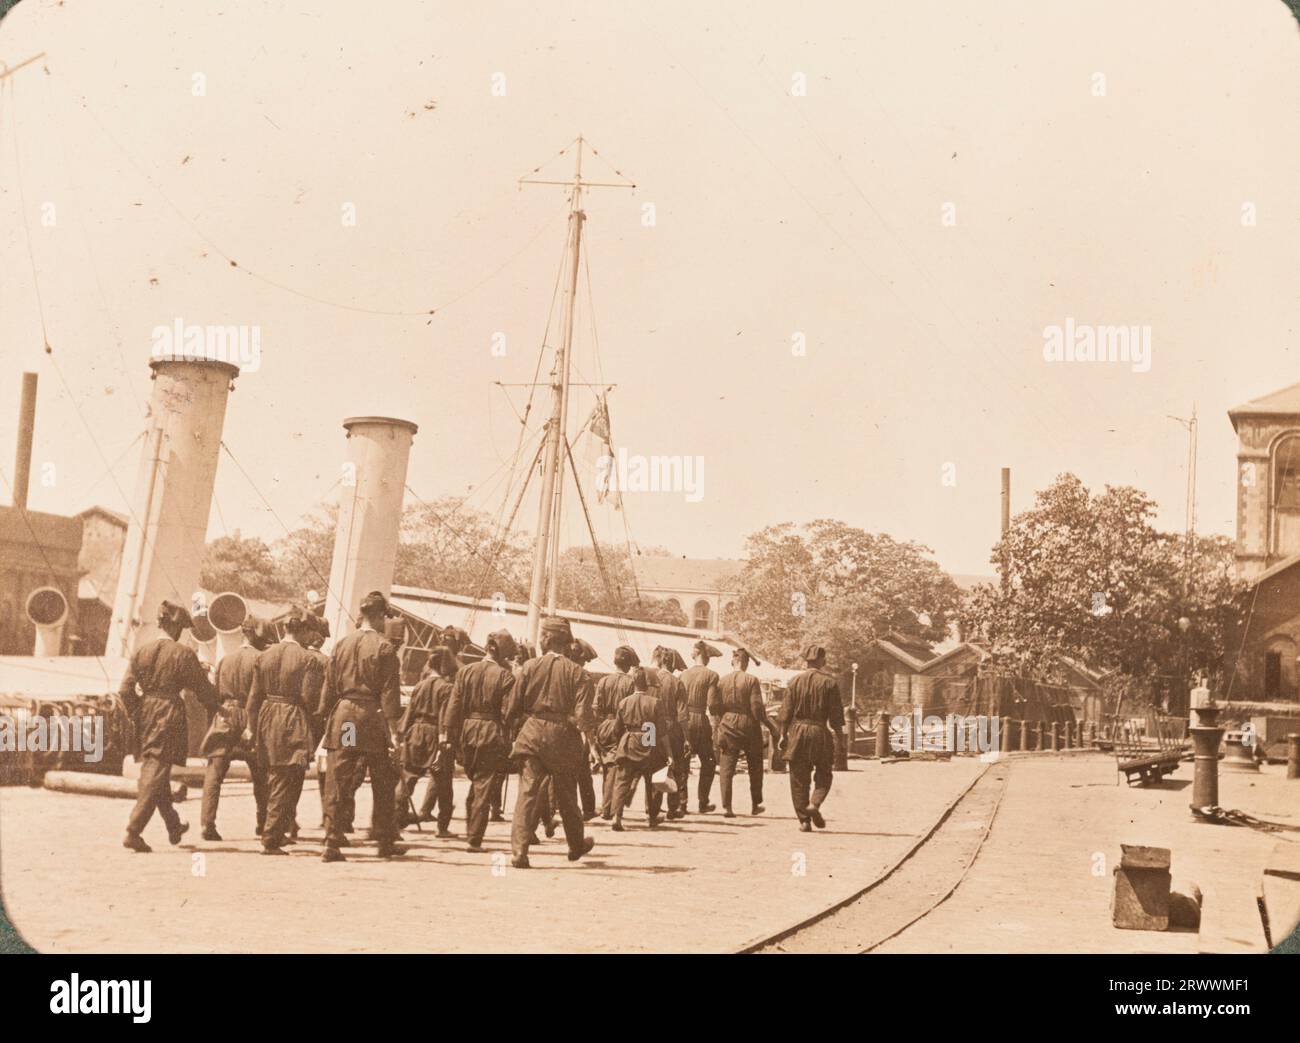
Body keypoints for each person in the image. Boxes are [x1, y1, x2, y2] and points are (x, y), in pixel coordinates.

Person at [120, 600, 214, 852]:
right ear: (175, 627)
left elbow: (125, 690)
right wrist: (219, 705)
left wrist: (138, 711)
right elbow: (203, 689)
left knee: (156, 768)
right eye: (182, 628)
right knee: (157, 768)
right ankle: (133, 830)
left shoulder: (142, 651)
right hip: (168, 713)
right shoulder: (183, 654)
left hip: (146, 712)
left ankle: (173, 824)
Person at [318, 591, 404, 862]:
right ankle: (384, 838)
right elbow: (390, 694)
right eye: (384, 618)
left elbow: (329, 688)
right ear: (378, 616)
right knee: (383, 777)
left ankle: (332, 839)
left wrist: (325, 718)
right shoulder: (385, 648)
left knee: (340, 775)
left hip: (346, 718)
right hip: (371, 718)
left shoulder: (342, 644)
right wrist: (394, 731)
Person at [508, 616, 596, 868]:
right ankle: (576, 845)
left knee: (527, 793)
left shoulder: (529, 667)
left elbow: (512, 708)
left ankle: (519, 851)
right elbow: (582, 716)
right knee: (568, 795)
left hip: (532, 734)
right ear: (565, 642)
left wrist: (521, 724)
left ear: (547, 639)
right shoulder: (578, 673)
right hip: (563, 739)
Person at [246, 606, 321, 854]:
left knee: (274, 774)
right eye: (310, 631)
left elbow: (253, 698)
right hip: (292, 717)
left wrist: (251, 727)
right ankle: (271, 837)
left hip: (267, 716)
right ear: (303, 630)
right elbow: (309, 699)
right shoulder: (307, 658)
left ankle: (276, 830)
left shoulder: (264, 655)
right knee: (288, 777)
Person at [199, 616, 270, 841]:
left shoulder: (225, 660)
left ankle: (207, 824)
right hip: (251, 718)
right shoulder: (262, 659)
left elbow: (217, 693)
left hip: (226, 716)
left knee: (214, 773)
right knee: (261, 774)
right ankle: (263, 823)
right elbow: (262, 695)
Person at [446, 629, 518, 851]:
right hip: (491, 732)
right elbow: (508, 713)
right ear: (504, 654)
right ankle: (474, 838)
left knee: (475, 781)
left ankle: (471, 830)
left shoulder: (466, 671)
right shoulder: (505, 676)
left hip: (467, 730)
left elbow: (453, 708)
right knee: (484, 784)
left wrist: (450, 735)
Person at [779, 644, 845, 832]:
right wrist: (840, 740)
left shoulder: (793, 682)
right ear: (822, 661)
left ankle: (804, 820)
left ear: (806, 661)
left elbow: (785, 712)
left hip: (798, 732)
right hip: (819, 732)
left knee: (798, 778)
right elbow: (836, 717)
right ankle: (814, 804)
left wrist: (783, 735)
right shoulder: (830, 683)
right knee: (824, 772)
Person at [396, 647, 457, 837]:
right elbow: (444, 718)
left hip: (415, 732)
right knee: (444, 783)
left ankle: (396, 819)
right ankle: (442, 827)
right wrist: (443, 743)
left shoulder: (420, 685)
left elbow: (409, 713)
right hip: (435, 734)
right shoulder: (446, 688)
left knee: (408, 777)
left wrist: (402, 735)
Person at [711, 646, 778, 818]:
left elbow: (714, 706)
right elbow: (757, 708)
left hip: (727, 724)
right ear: (746, 662)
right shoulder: (751, 680)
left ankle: (727, 807)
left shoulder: (721, 681)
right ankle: (756, 804)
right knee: (755, 766)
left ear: (733, 661)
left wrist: (722, 721)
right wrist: (769, 726)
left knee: (726, 767)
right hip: (749, 725)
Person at [610, 666, 675, 831]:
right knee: (654, 781)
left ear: (633, 682)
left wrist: (620, 745)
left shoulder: (624, 702)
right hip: (648, 742)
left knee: (622, 781)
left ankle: (617, 816)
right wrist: (669, 754)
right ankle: (652, 817)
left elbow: (617, 729)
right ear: (648, 684)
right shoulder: (655, 703)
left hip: (629, 742)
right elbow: (662, 733)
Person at [593, 645, 638, 818]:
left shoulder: (604, 681)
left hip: (605, 723)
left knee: (607, 766)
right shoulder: (630, 683)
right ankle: (610, 808)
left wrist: (600, 726)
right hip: (621, 725)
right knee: (618, 768)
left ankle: (608, 804)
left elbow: (596, 707)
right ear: (628, 665)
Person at [679, 640, 723, 813]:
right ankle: (703, 801)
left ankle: (682, 803)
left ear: (696, 654)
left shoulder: (683, 675)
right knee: (709, 761)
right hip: (700, 721)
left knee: (683, 762)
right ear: (706, 657)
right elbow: (712, 704)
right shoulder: (712, 675)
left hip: (683, 720)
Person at [649, 646, 690, 819]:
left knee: (652, 766)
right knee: (675, 767)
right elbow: (682, 715)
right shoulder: (677, 682)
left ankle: (652, 809)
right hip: (671, 727)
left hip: (650, 729)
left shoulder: (649, 679)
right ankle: (673, 809)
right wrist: (687, 738)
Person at [566, 637, 601, 821]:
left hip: (556, 726)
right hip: (576, 730)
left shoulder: (560, 672)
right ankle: (587, 809)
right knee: (582, 771)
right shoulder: (583, 677)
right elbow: (585, 713)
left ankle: (550, 808)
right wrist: (592, 744)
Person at [303, 619, 331, 828]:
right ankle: (331, 817)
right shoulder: (327, 662)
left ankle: (287, 822)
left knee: (291, 772)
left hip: (296, 720)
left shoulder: (299, 658)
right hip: (324, 723)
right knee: (329, 770)